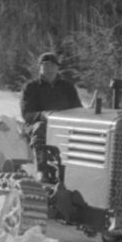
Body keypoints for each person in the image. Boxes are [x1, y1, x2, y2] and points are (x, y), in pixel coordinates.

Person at [20, 52, 82, 180]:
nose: (49, 69)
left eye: (52, 65)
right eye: (45, 65)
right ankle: (42, 170)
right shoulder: (31, 87)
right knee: (40, 127)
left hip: (64, 126)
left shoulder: (67, 87)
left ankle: (79, 170)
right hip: (38, 126)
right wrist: (43, 115)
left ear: (57, 68)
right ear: (40, 68)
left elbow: (78, 110)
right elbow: (26, 115)